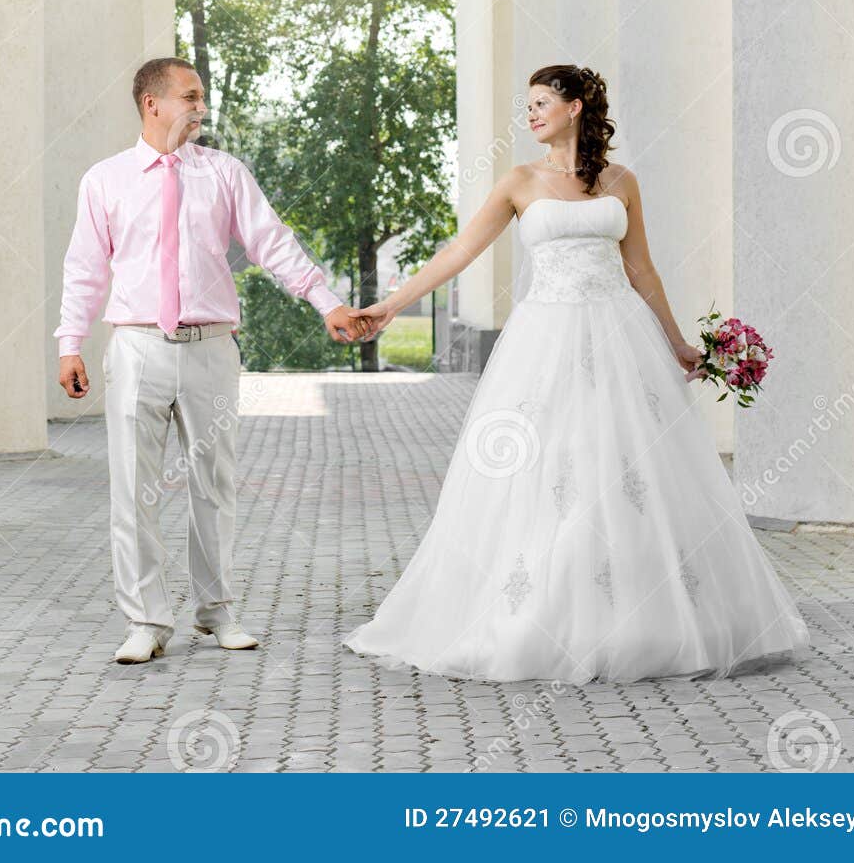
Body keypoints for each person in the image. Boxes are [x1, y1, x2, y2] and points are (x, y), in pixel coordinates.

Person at [343, 64, 811, 683]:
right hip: (546, 340)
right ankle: (541, 614)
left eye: (541, 102)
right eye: (528, 104)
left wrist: (676, 341)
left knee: (627, 466)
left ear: (575, 108)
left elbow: (641, 270)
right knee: (549, 471)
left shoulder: (622, 181)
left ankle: (645, 618)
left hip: (621, 335)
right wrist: (389, 305)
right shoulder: (520, 181)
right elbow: (460, 251)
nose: (531, 114)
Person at [55, 56, 363, 664]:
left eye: (201, 97)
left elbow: (272, 242)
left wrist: (325, 301)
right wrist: (70, 344)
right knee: (133, 490)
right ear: (153, 104)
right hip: (137, 347)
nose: (201, 106)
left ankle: (216, 612)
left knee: (214, 486)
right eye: (190, 96)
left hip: (211, 349)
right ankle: (146, 621)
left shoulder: (224, 173)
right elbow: (85, 269)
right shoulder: (105, 180)